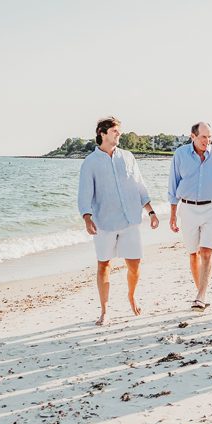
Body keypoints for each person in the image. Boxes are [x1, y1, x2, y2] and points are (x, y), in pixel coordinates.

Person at [78, 116, 160, 326]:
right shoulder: (90, 163)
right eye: (115, 131)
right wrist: (87, 218)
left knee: (134, 265)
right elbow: (85, 193)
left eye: (119, 131)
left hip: (130, 220)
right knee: (104, 264)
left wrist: (150, 212)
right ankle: (105, 311)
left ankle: (131, 295)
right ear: (102, 133)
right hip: (104, 222)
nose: (119, 134)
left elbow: (140, 186)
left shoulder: (128, 157)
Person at [169, 121, 212, 310]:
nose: (208, 140)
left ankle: (201, 295)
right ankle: (200, 292)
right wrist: (172, 214)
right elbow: (173, 184)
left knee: (206, 251)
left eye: (210, 136)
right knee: (193, 253)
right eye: (204, 136)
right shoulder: (180, 155)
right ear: (193, 136)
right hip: (187, 209)